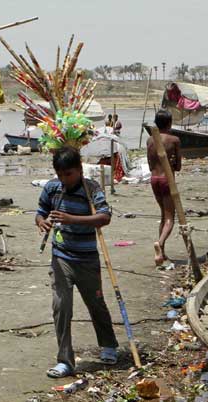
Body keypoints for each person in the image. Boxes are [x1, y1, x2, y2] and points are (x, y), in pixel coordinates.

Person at [35, 147, 119, 378]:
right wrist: (41, 222)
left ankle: (108, 345)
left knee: (96, 304)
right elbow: (40, 211)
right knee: (61, 307)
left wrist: (73, 219)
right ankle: (65, 360)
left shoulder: (91, 189)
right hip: (61, 257)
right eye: (60, 174)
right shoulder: (52, 188)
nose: (64, 179)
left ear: (80, 170)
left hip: (87, 259)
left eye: (68, 174)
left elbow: (104, 217)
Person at [146, 110, 181, 266]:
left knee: (163, 215)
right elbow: (178, 166)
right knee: (169, 218)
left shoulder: (149, 140)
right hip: (167, 180)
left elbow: (150, 165)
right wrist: (172, 162)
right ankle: (159, 244)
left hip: (154, 179)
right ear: (169, 123)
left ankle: (162, 253)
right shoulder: (174, 140)